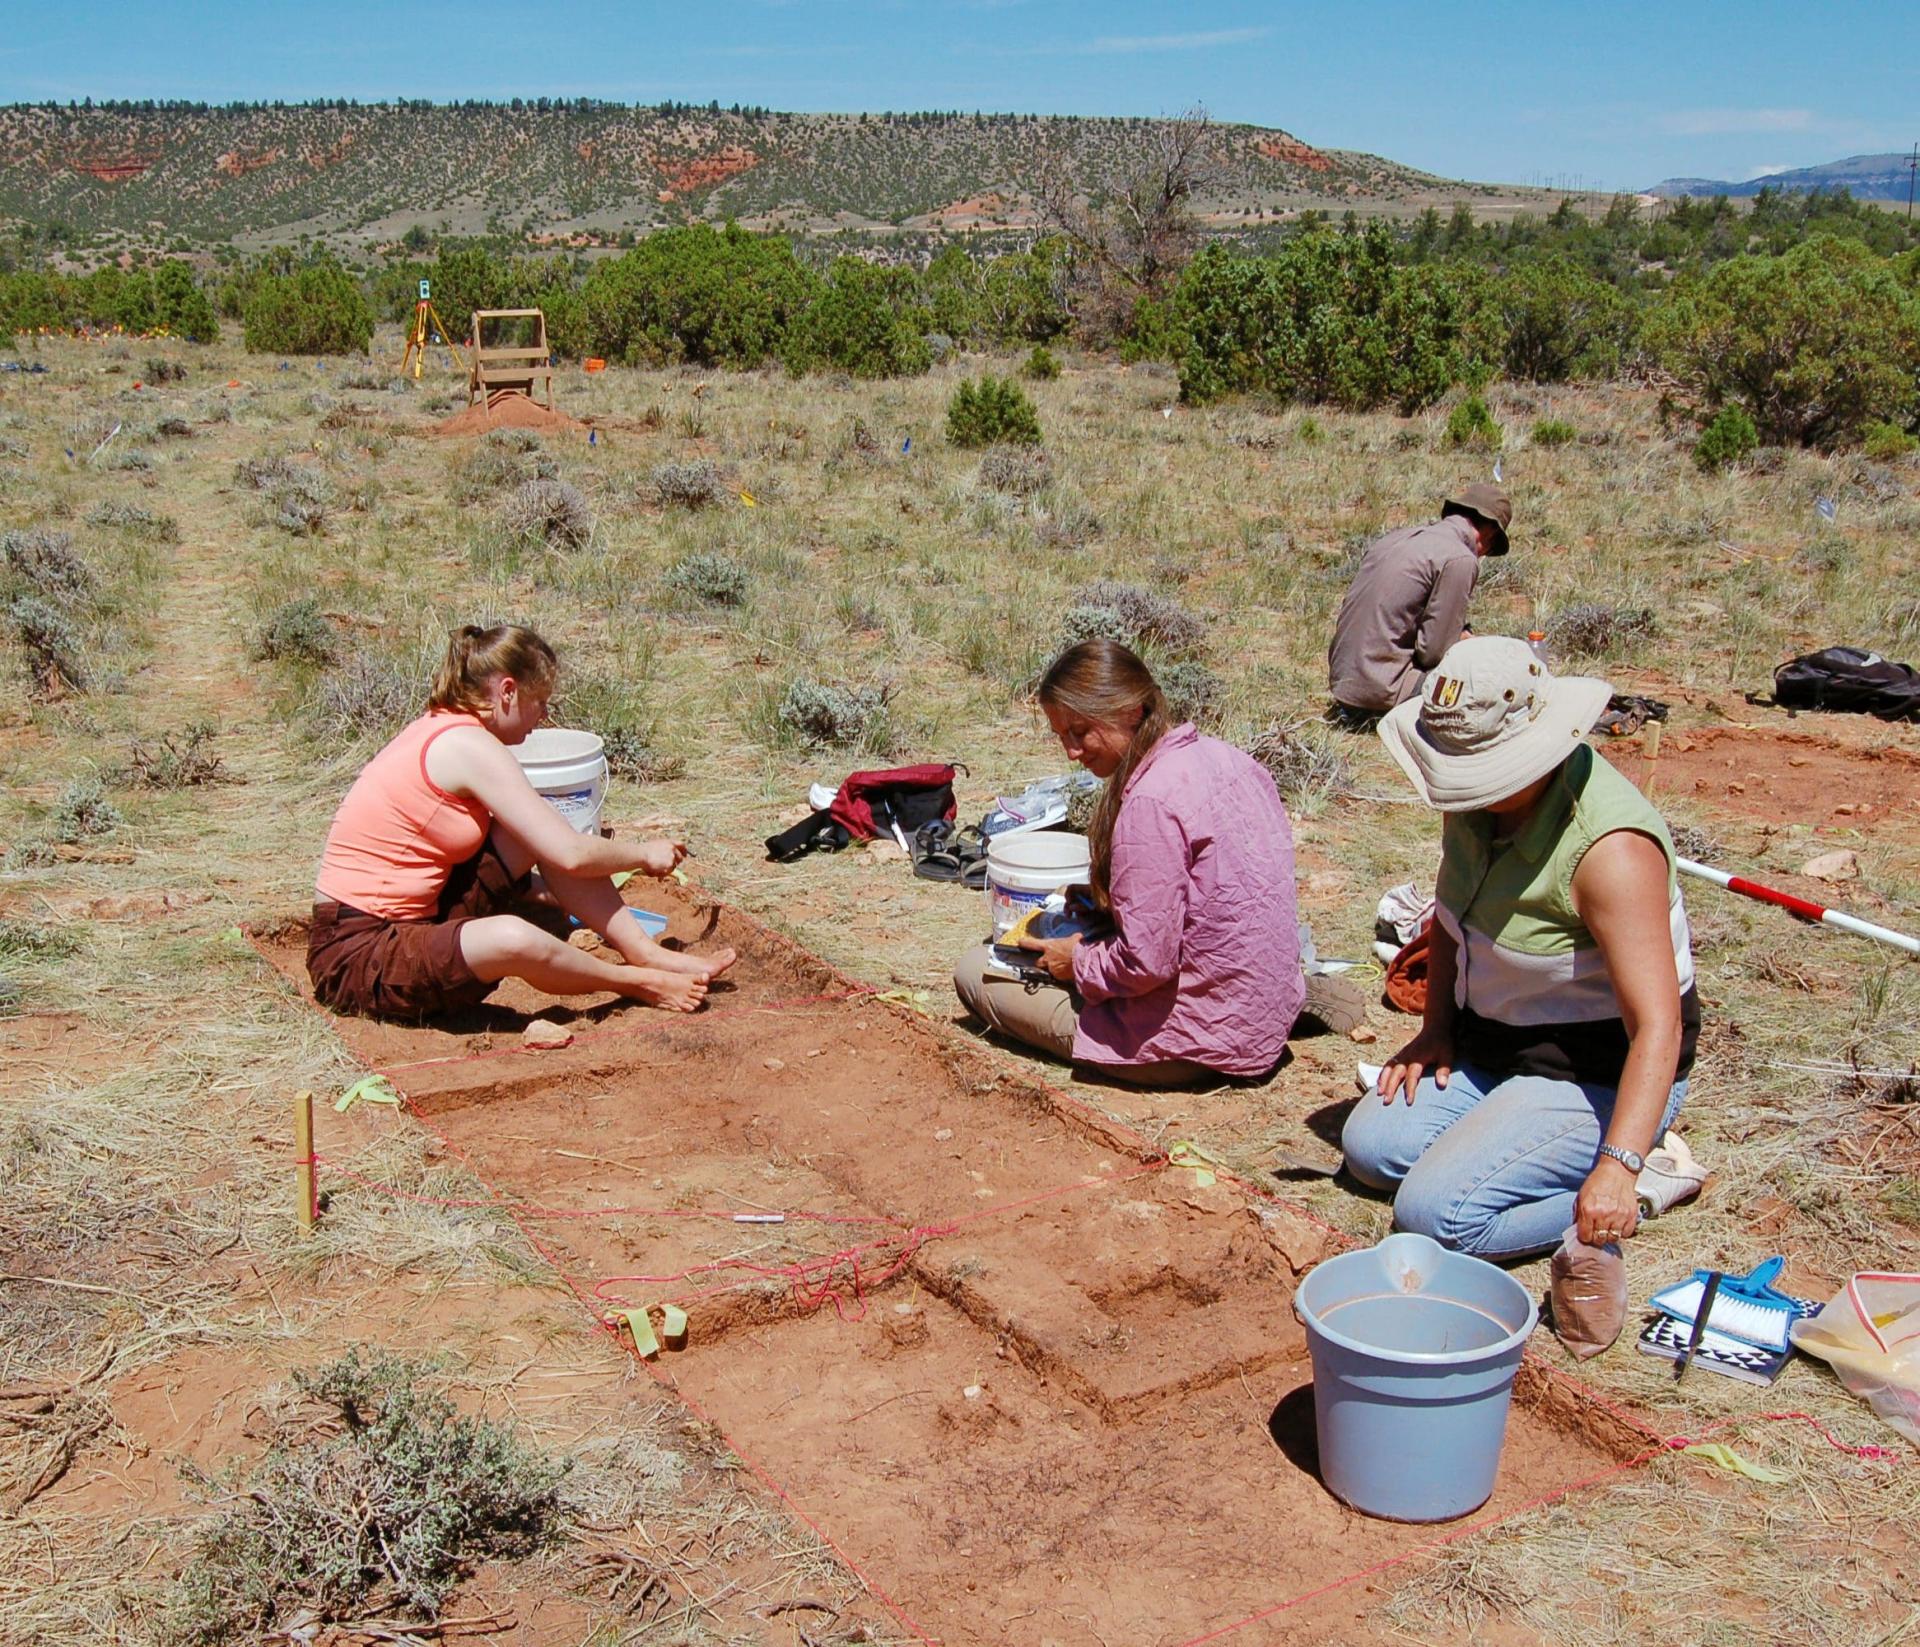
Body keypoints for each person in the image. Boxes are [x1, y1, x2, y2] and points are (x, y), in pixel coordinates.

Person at [1340, 636, 1699, 1259]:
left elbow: (1659, 1025)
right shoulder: (1480, 803)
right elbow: (1453, 921)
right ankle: (1512, 1138)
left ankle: (1643, 1179)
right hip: (1494, 1042)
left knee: (1436, 1216)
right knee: (1371, 1152)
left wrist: (1618, 1166)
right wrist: (1437, 1029)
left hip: (1591, 1070)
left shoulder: (1610, 851)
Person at [953, 639, 1360, 1087]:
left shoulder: (1149, 802)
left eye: (1080, 731)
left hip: (1195, 1044)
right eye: (1061, 735)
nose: (1071, 752)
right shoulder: (1229, 760)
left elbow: (1146, 965)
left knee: (974, 972)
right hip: (1261, 1011)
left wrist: (1077, 962)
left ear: (1130, 710)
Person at [308, 624, 734, 1021]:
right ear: (508, 692)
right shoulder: (466, 746)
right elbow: (571, 853)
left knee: (533, 828)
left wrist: (543, 890)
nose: (544, 715)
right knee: (514, 936)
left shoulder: (448, 729)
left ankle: (645, 953)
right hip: (357, 953)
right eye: (540, 701)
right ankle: (638, 981)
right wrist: (643, 855)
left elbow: (544, 845)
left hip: (417, 920)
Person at [1327, 483, 1512, 723]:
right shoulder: (1459, 558)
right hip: (1382, 691)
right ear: (1489, 532)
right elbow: (1433, 653)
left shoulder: (1395, 538)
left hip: (1344, 682)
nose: (1484, 555)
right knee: (1487, 684)